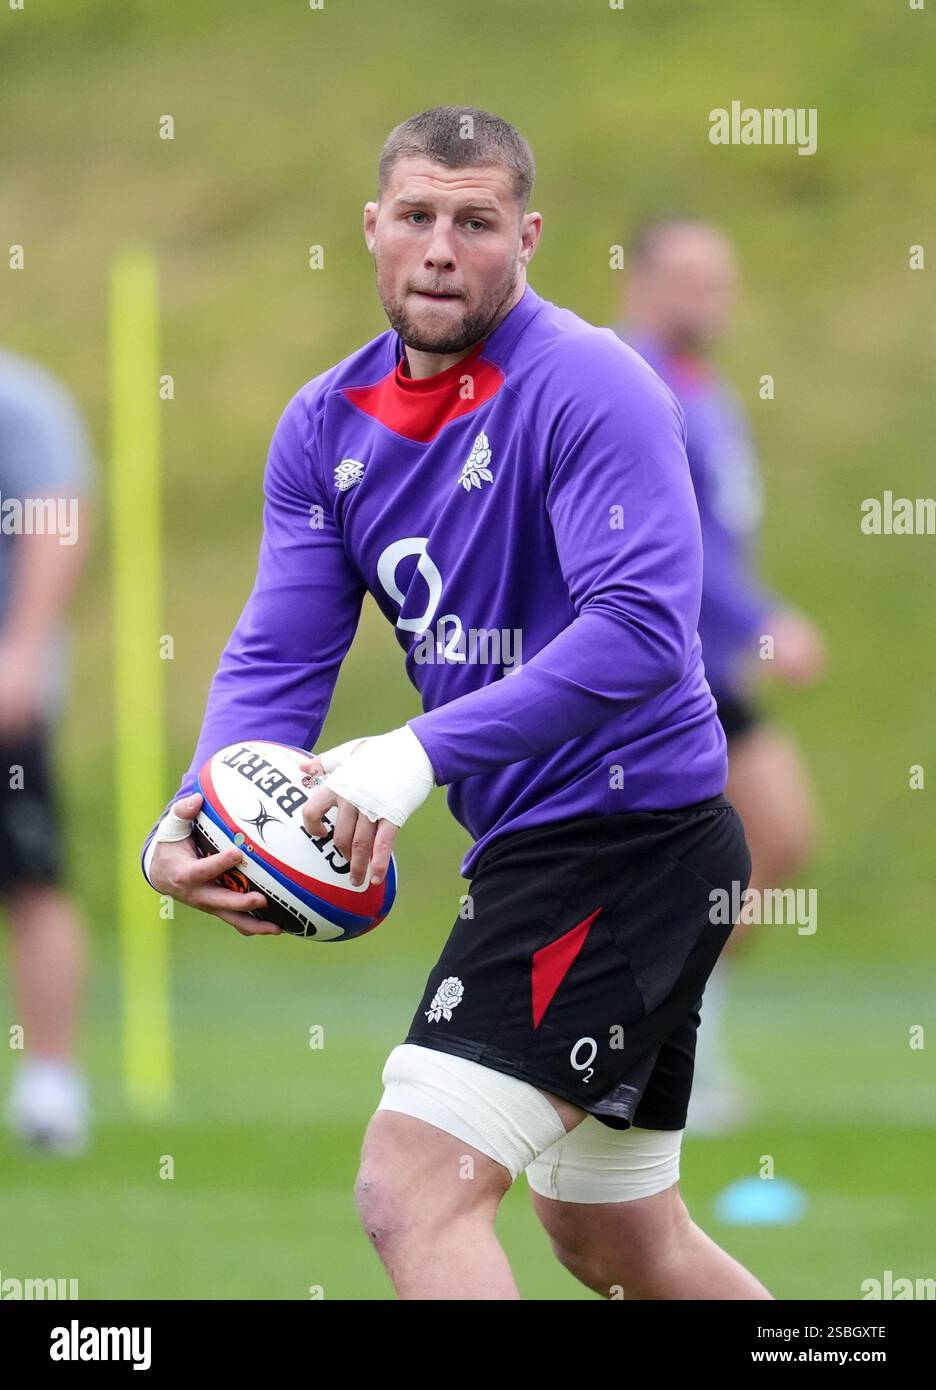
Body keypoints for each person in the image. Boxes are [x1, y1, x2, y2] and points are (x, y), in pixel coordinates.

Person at [142, 107, 771, 1300]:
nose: (442, 247)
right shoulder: (324, 427)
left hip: (630, 843)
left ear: (526, 237)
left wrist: (417, 754)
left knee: (412, 1184)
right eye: (418, 217)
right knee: (620, 1241)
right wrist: (196, 811)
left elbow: (640, 630)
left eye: (474, 222)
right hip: (539, 843)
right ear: (372, 229)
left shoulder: (593, 385)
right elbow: (279, 656)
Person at [616, 220, 825, 1132]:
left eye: (721, 279)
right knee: (753, 838)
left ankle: (672, 1039)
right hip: (663, 661)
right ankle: (655, 1046)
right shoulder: (636, 385)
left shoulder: (706, 389)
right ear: (639, 281)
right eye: (691, 277)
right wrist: (761, 620)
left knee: (763, 842)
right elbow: (673, 540)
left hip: (707, 661)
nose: (711, 296)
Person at [1, 349, 94, 1156]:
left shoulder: (16, 401)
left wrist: (22, 654)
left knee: (31, 879)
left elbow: (56, 518)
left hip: (2, 700)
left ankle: (51, 1084)